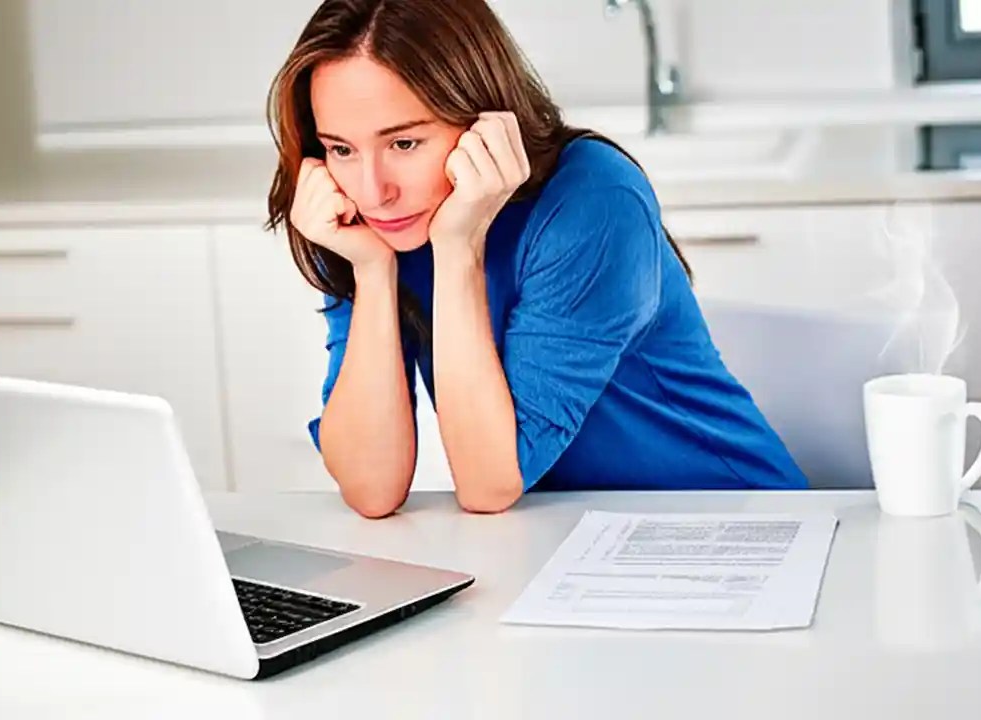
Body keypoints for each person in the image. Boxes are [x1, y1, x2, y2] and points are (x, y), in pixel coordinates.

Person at [264, 0, 808, 518]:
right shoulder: (375, 227)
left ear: (481, 121)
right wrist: (371, 272)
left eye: (404, 144)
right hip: (572, 537)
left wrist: (459, 249)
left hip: (736, 518)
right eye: (341, 149)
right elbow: (371, 487)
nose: (373, 191)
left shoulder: (594, 199)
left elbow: (488, 484)